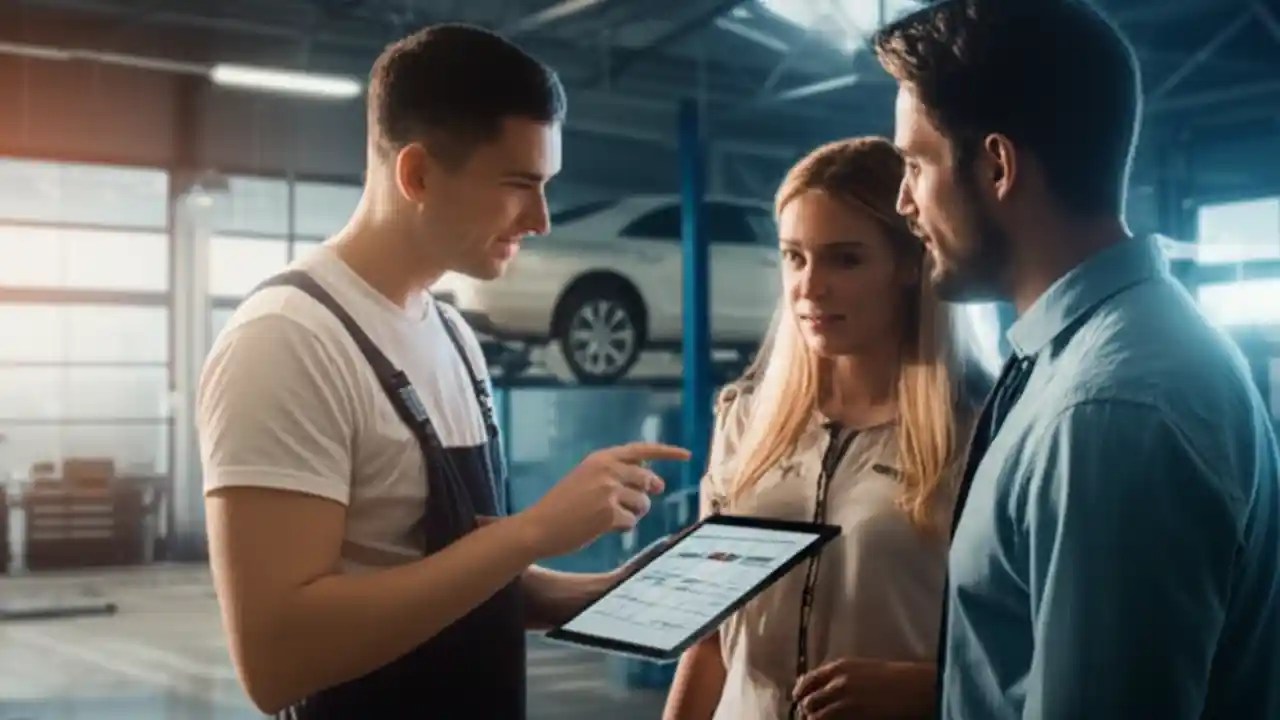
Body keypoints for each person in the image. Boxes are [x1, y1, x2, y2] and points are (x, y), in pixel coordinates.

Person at [195, 24, 689, 719]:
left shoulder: (453, 334)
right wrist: (534, 531)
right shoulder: (287, 340)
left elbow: (458, 576)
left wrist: (615, 591)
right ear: (418, 174)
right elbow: (277, 658)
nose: (542, 219)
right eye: (520, 184)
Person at [874, 1, 1280, 718]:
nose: (903, 201)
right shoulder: (1091, 359)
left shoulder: (1107, 412)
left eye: (915, 163)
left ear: (997, 166)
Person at [662, 137, 988, 720]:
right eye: (794, 256)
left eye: (845, 259)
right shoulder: (746, 418)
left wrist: (930, 689)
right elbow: (710, 636)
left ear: (910, 266)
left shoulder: (978, 431)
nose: (810, 287)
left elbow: (1028, 650)